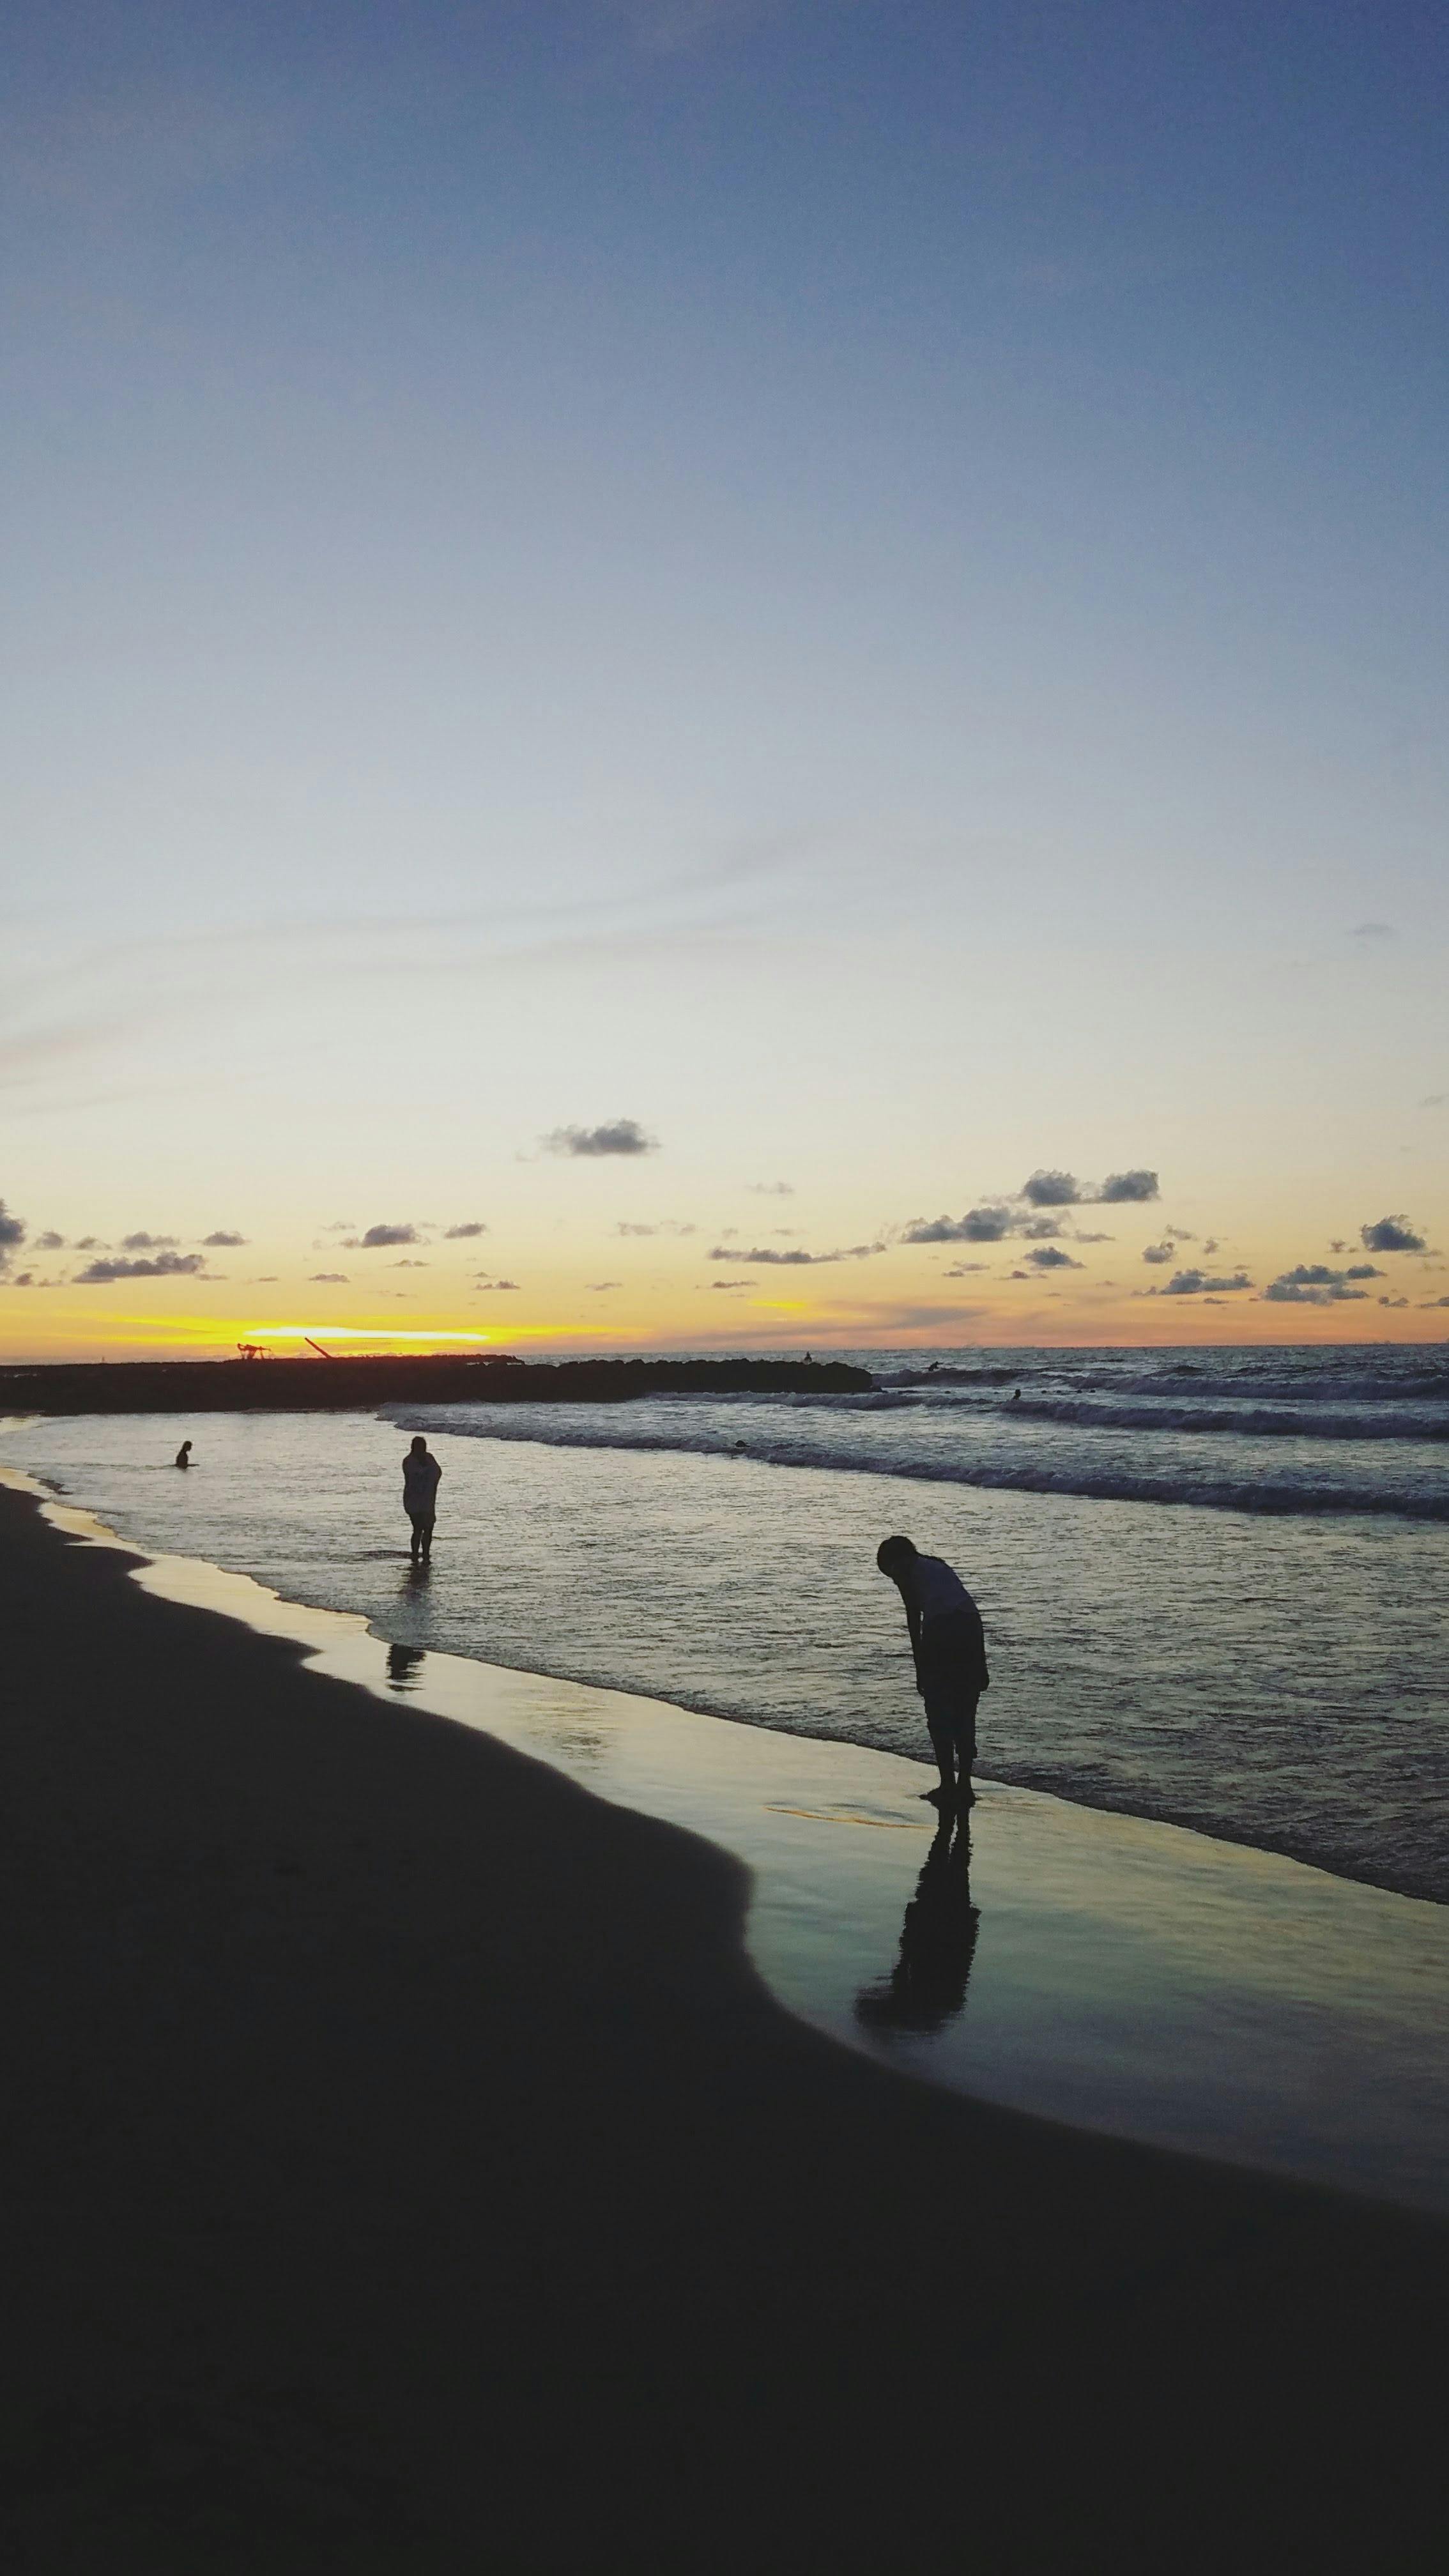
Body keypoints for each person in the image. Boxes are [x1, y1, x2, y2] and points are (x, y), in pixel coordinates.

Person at [875, 1535, 989, 1809]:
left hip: (943, 1631)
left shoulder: (904, 1569)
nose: (893, 1579)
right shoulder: (936, 1564)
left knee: (939, 1710)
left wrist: (920, 1667)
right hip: (970, 1628)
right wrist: (981, 1663)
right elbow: (970, 1610)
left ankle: (948, 1785)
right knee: (965, 1709)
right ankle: (965, 1785)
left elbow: (914, 1618)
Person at [402, 1434, 441, 1564]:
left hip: (428, 1499)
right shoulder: (408, 1461)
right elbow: (415, 1475)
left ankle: (426, 1553)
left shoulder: (429, 1458)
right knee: (418, 1527)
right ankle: (415, 1553)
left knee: (429, 1527)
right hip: (414, 1500)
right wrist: (427, 1470)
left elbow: (437, 1472)